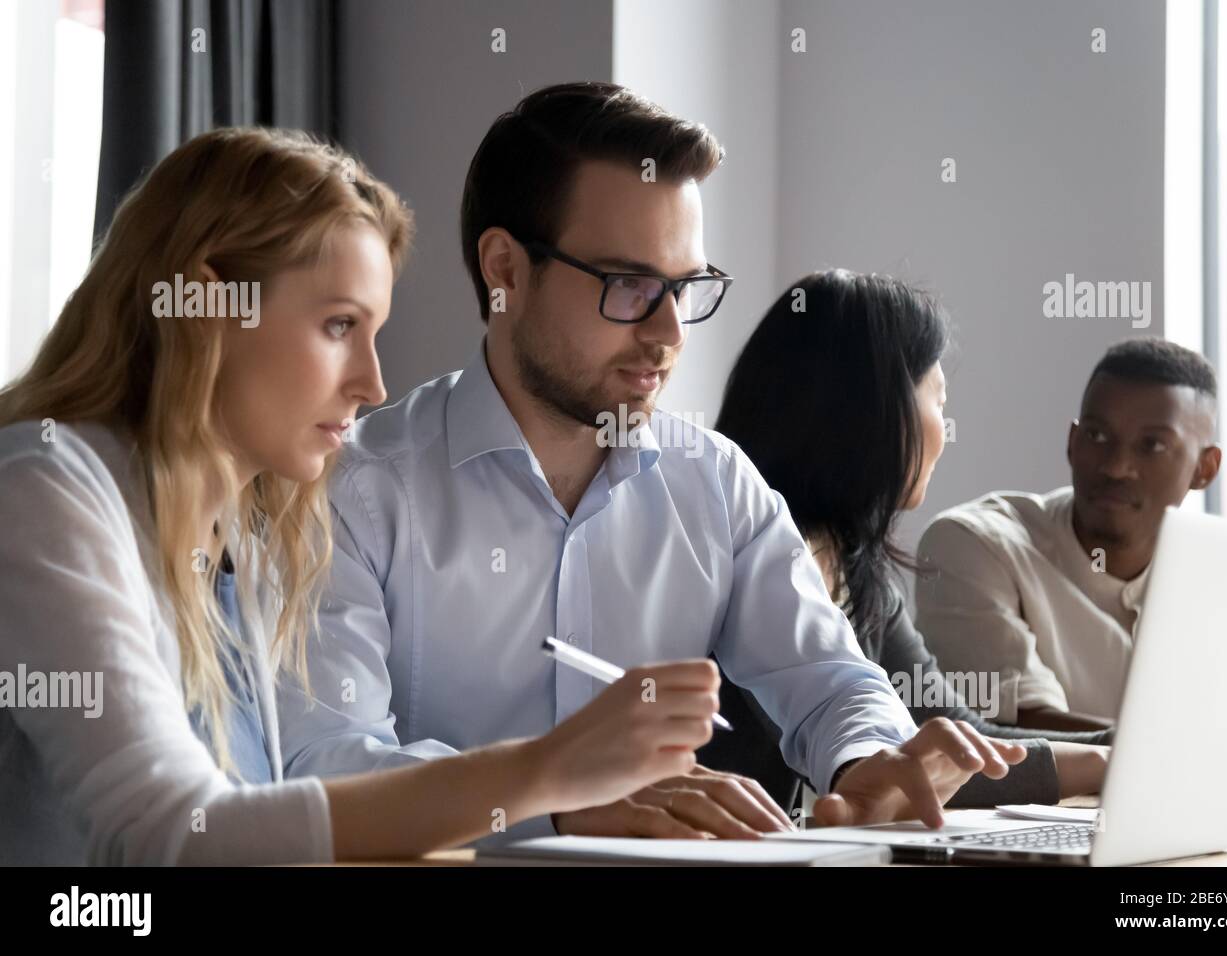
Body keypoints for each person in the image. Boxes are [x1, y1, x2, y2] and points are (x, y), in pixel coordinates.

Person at [278, 81, 1028, 840]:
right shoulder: (356, 490)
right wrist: (554, 807)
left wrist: (865, 757)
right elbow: (327, 764)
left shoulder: (714, 480)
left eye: (686, 287)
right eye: (629, 285)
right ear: (505, 270)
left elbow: (830, 677)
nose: (669, 331)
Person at [0, 127, 722, 865]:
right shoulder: (44, 489)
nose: (373, 385)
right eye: (339, 325)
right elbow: (173, 833)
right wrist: (548, 772)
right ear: (207, 308)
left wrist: (555, 799)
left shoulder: (242, 547)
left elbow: (274, 834)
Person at [698, 269, 1110, 812]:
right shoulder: (728, 561)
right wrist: (1116, 762)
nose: (945, 427)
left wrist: (1119, 754)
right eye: (938, 399)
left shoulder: (856, 572)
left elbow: (952, 741)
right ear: (869, 409)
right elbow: (925, 765)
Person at [914, 337, 1227, 784]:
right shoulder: (975, 544)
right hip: (1026, 837)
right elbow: (1015, 738)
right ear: (1072, 443)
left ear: (1205, 469)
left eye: (1152, 446)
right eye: (1098, 436)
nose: (1116, 467)